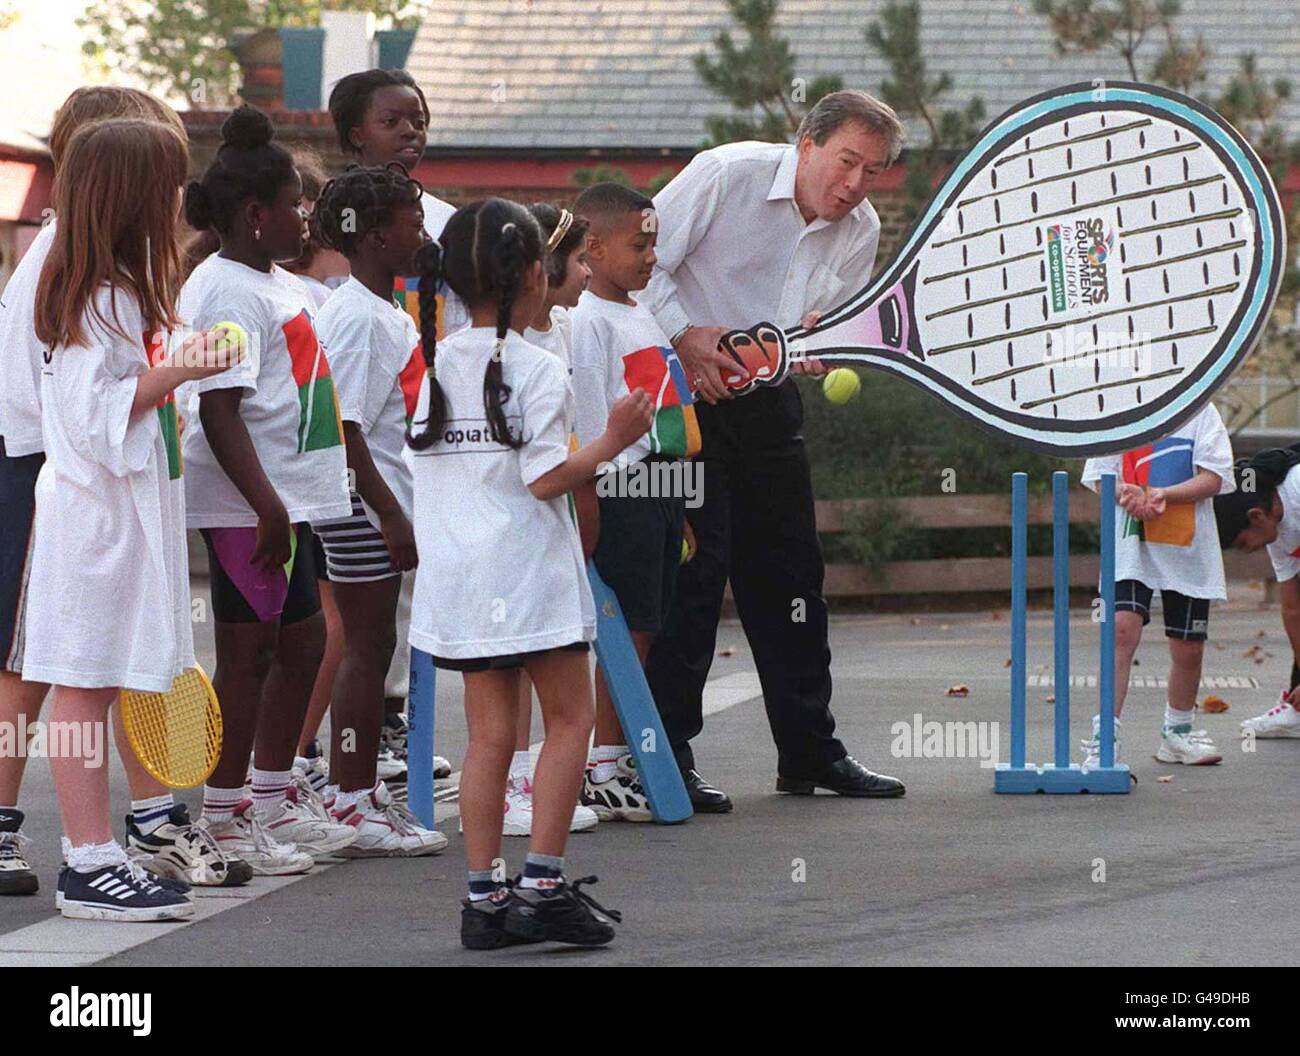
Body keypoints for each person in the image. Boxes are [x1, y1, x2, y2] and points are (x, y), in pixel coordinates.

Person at [0, 87, 250, 899]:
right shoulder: (93, 292)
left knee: (107, 676)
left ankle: (114, 844)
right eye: (167, 184)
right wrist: (177, 369)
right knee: (79, 680)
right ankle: (89, 858)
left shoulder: (124, 286)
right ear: (132, 196)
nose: (179, 200)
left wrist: (183, 355)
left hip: (125, 515)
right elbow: (86, 413)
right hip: (91, 519)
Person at [643, 89, 907, 808]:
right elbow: (638, 264)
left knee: (792, 578)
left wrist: (811, 349)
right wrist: (683, 336)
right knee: (695, 576)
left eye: (872, 172)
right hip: (678, 397)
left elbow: (819, 327)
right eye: (847, 161)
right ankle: (666, 757)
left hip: (767, 405)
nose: (854, 185)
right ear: (808, 143)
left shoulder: (861, 229)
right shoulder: (724, 174)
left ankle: (810, 752)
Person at [404, 199, 650, 948]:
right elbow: (547, 479)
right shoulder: (541, 369)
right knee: (570, 720)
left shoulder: (434, 367)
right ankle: (543, 882)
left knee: (489, 740)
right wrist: (614, 438)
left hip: (466, 584)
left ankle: (484, 897)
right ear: (535, 276)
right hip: (531, 577)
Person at [180, 106, 356, 872]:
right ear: (256, 216)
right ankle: (223, 815)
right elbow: (219, 406)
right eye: (294, 203)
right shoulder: (224, 289)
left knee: (305, 642)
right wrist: (266, 505)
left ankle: (274, 794)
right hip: (252, 507)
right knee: (247, 655)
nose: (306, 214)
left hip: (289, 499)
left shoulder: (278, 283)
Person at [328, 67, 464, 779]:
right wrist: (386, 509)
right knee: (352, 638)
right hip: (353, 483)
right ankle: (333, 773)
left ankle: (376, 746)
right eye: (393, 121)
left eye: (420, 119)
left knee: (381, 630)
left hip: (399, 451)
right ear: (356, 134)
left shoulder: (429, 225)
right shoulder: (335, 250)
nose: (412, 131)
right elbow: (341, 418)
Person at [309, 163, 446, 855]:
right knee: (366, 652)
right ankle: (350, 797)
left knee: (374, 647)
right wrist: (390, 514)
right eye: (410, 223)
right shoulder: (360, 319)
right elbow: (346, 427)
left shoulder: (380, 311)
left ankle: (354, 789)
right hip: (364, 508)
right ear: (371, 236)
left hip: (377, 502)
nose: (420, 232)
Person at [571, 183, 699, 822]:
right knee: (625, 629)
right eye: (638, 244)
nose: (652, 256)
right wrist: (593, 510)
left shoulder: (638, 311)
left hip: (661, 487)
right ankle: (604, 764)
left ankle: (619, 758)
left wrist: (680, 502)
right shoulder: (589, 322)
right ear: (592, 247)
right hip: (624, 489)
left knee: (649, 623)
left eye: (655, 242)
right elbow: (596, 427)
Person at [1082, 405, 1235, 767]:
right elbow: (1098, 474)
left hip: (1188, 547)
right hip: (1131, 543)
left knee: (1188, 647)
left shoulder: (1201, 407)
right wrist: (1126, 494)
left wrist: (1164, 493)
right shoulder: (1113, 402)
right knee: (1121, 629)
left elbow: (1214, 476)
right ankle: (1105, 736)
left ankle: (1177, 732)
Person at [1215, 443, 1300, 738]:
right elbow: (1292, 610)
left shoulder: (1298, 489)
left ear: (1256, 516)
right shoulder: (1277, 533)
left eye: (1242, 543)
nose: (1248, 550)